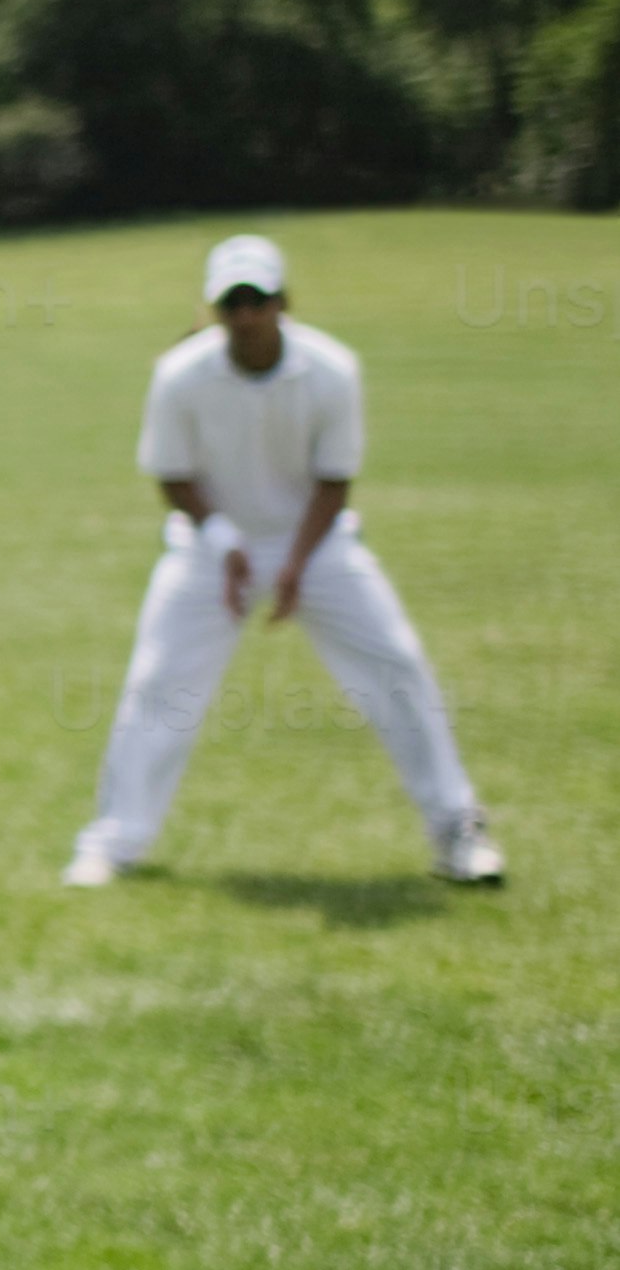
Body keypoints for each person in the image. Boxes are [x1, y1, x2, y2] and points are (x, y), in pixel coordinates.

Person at [64, 233, 501, 888]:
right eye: (232, 302)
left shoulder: (333, 370)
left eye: (258, 300)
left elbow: (334, 481)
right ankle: (114, 842)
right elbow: (173, 475)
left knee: (397, 664)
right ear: (214, 309)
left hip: (317, 542)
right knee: (158, 685)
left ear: (283, 302)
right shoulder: (179, 376)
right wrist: (223, 543)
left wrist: (295, 565)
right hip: (210, 545)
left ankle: (457, 830)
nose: (246, 316)